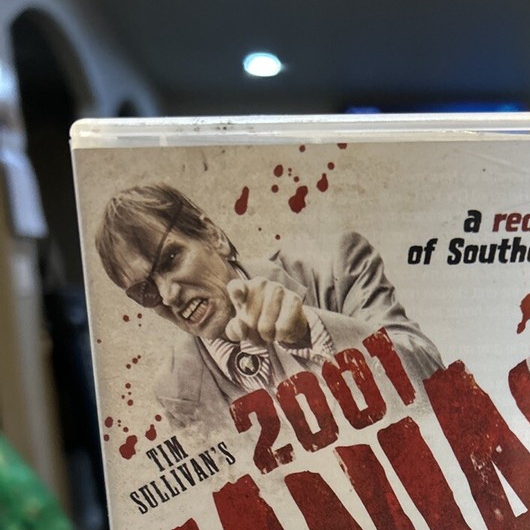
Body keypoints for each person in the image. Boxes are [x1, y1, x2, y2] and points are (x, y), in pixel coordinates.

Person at [95, 183, 443, 429]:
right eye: (145, 291)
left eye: (171, 258)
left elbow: (434, 379)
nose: (169, 295)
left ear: (212, 235)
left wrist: (310, 330)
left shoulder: (335, 266)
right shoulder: (176, 390)